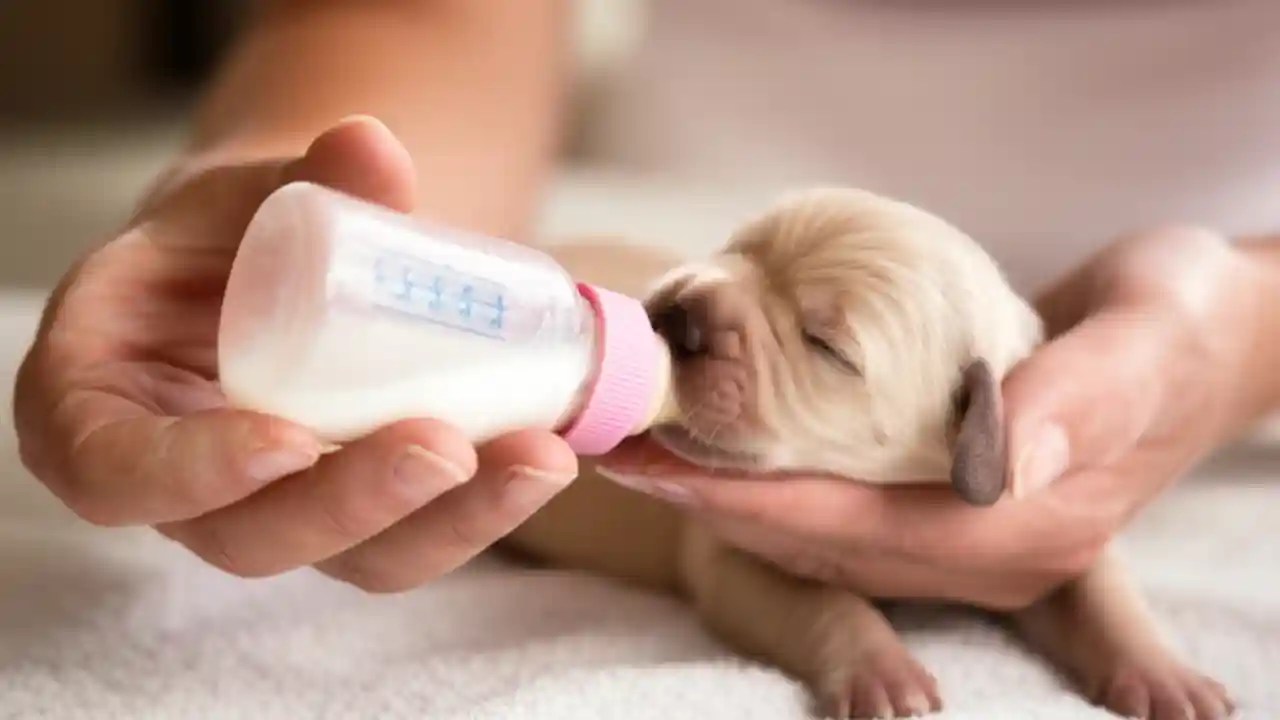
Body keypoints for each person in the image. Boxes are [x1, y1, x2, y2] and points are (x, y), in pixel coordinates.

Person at [12, 0, 1280, 607]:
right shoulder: (690, 286)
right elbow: (430, 18)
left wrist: (1246, 339)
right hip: (645, 184)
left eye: (818, 340)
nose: (708, 313)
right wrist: (310, 215)